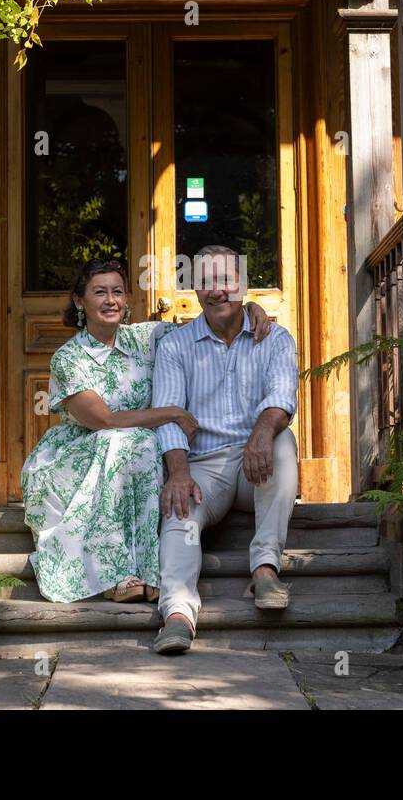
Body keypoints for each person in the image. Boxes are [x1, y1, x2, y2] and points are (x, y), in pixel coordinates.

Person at [19, 256, 273, 604]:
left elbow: (211, 322)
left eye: (118, 292)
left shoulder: (147, 337)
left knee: (139, 443)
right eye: (99, 293)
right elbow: (104, 420)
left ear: (126, 300)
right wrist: (172, 412)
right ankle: (115, 572)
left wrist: (250, 308)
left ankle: (150, 569)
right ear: (80, 301)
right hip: (78, 455)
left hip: (136, 451)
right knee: (130, 442)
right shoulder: (69, 359)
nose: (110, 300)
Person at [148, 245, 299, 654]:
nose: (218, 292)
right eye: (207, 282)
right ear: (195, 291)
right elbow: (169, 416)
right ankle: (178, 615)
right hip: (205, 468)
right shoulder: (176, 346)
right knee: (180, 507)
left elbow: (283, 396)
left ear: (245, 287)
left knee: (282, 438)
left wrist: (262, 430)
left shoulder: (275, 338)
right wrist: (178, 472)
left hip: (258, 470)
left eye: (227, 281)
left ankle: (265, 569)